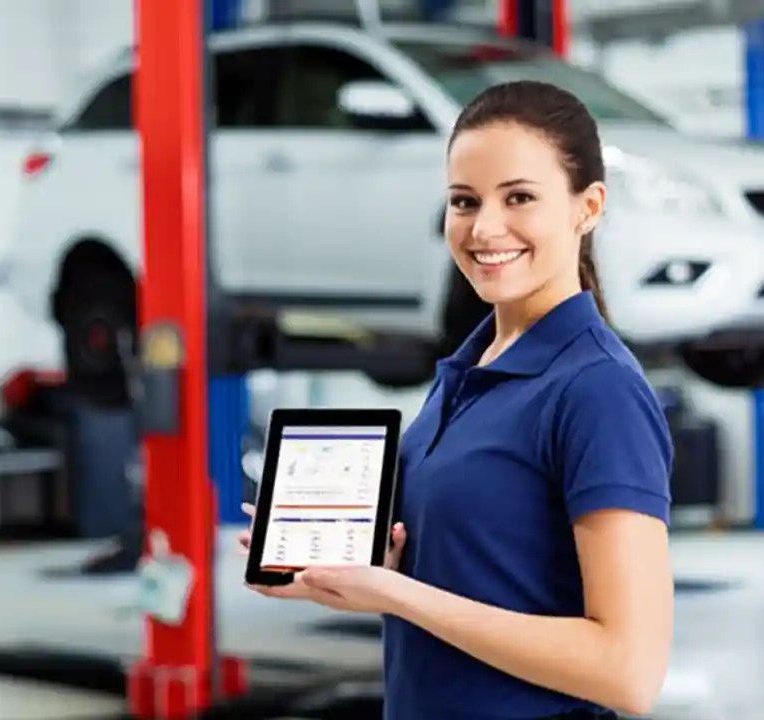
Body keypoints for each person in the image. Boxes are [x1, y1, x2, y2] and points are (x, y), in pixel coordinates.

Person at [242, 79, 675, 720]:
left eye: (519, 197)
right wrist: (365, 569)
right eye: (464, 201)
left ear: (588, 208)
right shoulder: (466, 372)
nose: (485, 228)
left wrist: (400, 594)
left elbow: (628, 672)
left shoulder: (597, 390)